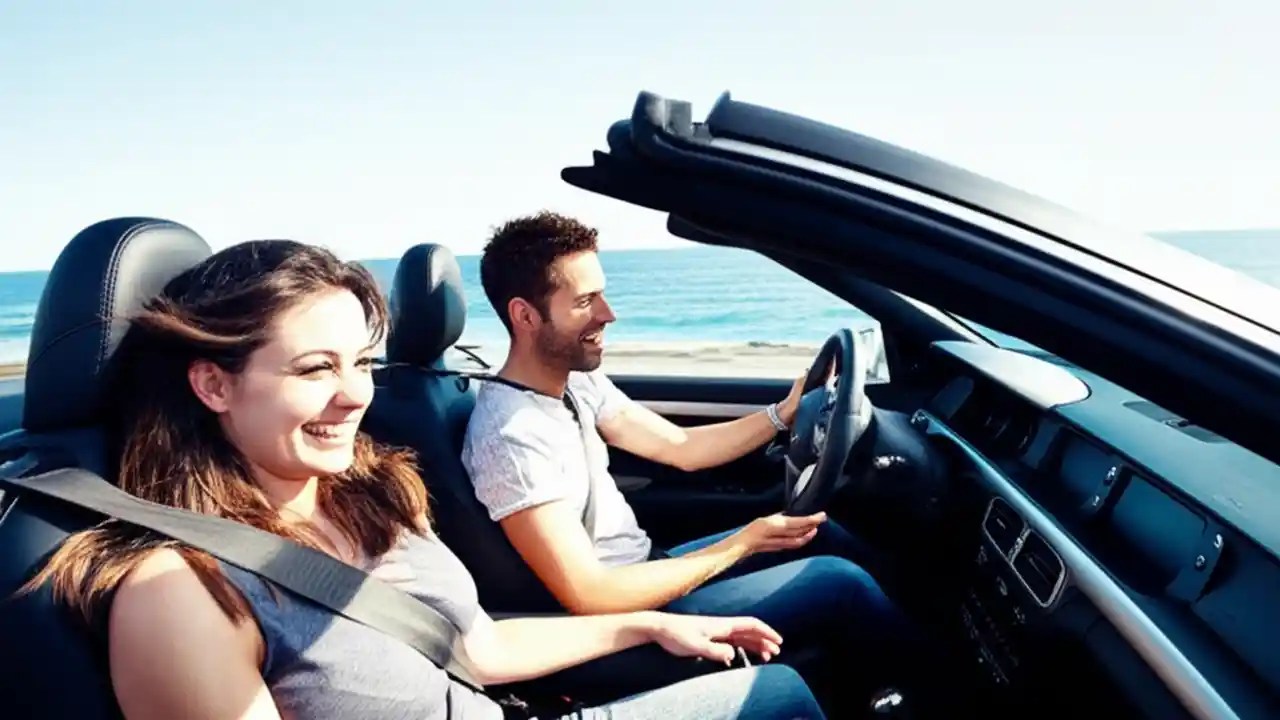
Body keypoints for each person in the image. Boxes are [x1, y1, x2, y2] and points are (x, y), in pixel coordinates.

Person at [19, 239, 826, 720]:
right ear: (214, 386)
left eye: (360, 362)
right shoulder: (178, 589)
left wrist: (647, 626)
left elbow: (477, 644)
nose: (354, 395)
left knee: (779, 689)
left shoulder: (366, 489)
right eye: (314, 369)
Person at [461, 212, 932, 712]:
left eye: (601, 293)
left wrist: (783, 414)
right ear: (525, 316)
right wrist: (741, 542)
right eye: (584, 302)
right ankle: (939, 698)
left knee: (822, 533)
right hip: (624, 613)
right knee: (842, 585)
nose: (608, 314)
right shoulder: (509, 435)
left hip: (649, 570)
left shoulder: (575, 382)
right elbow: (590, 594)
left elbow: (680, 449)